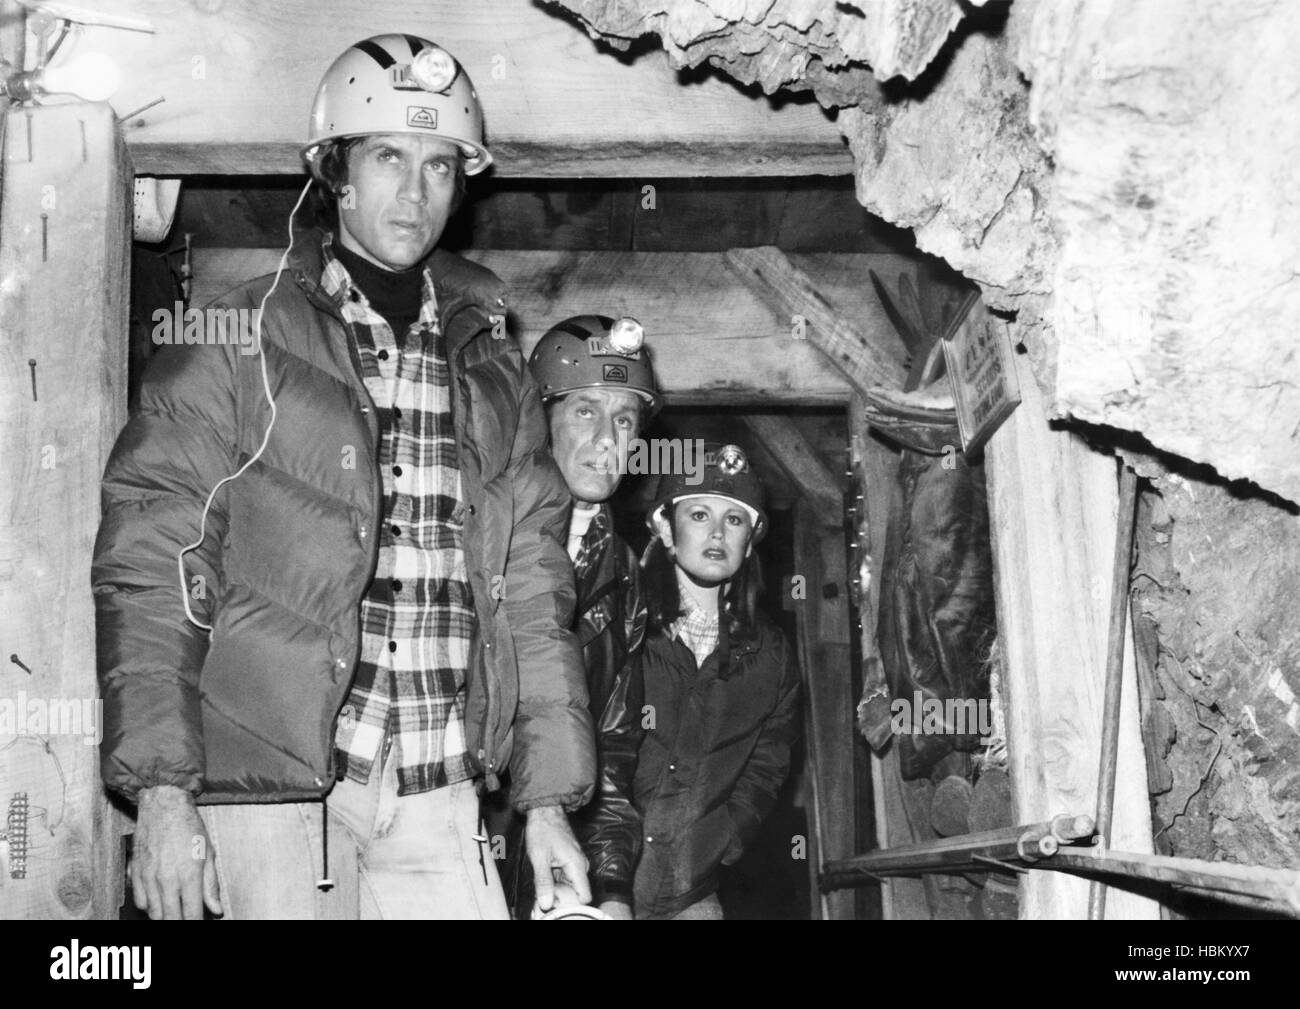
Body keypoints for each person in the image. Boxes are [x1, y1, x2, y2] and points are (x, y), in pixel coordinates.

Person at [92, 33, 594, 920]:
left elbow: (533, 595)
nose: (416, 189)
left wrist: (548, 803)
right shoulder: (235, 339)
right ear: (336, 172)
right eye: (389, 156)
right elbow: (153, 561)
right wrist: (163, 791)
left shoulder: (495, 372)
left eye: (441, 164)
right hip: (272, 793)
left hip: (442, 800)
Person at [522, 315, 660, 920]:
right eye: (585, 412)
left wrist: (612, 892)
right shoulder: (477, 531)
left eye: (625, 418)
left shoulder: (623, 571)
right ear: (537, 419)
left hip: (554, 863)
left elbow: (612, 748)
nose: (609, 438)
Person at [633, 443, 801, 920]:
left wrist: (728, 834)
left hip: (690, 890)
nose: (716, 533)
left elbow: (770, 758)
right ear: (666, 529)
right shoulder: (625, 625)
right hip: (596, 878)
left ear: (749, 541)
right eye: (700, 513)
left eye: (734, 520)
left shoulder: (771, 656)